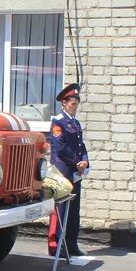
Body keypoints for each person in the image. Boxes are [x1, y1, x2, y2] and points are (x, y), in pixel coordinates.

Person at [47, 83, 90, 258]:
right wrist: (76, 162)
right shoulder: (58, 121)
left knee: (74, 208)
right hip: (63, 169)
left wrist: (85, 161)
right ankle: (57, 245)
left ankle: (71, 243)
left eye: (77, 104)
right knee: (61, 208)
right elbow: (60, 146)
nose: (75, 107)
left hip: (75, 170)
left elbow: (81, 145)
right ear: (64, 103)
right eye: (72, 104)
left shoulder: (76, 123)